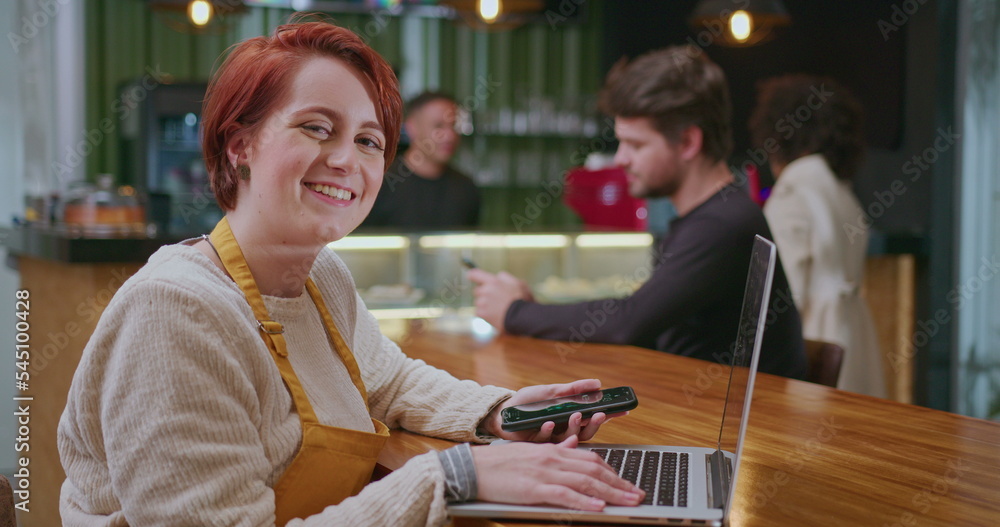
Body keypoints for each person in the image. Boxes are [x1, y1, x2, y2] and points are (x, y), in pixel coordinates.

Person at [57, 20, 644, 526]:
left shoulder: (321, 276)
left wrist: (503, 414)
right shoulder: (176, 312)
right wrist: (452, 475)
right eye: (316, 127)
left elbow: (388, 382)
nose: (347, 160)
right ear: (240, 144)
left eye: (369, 140)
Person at [469, 46, 806, 379]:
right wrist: (534, 311)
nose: (620, 160)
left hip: (740, 428)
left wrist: (515, 312)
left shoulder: (724, 223)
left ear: (688, 142)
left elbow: (628, 322)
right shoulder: (710, 216)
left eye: (636, 144)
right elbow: (643, 320)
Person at [750, 74, 887, 398]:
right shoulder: (841, 192)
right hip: (854, 336)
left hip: (815, 343)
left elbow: (782, 296)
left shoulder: (795, 191)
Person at [361, 91, 480, 229]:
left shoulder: (466, 188)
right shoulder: (381, 182)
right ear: (412, 127)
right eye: (438, 126)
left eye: (454, 126)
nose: (450, 136)